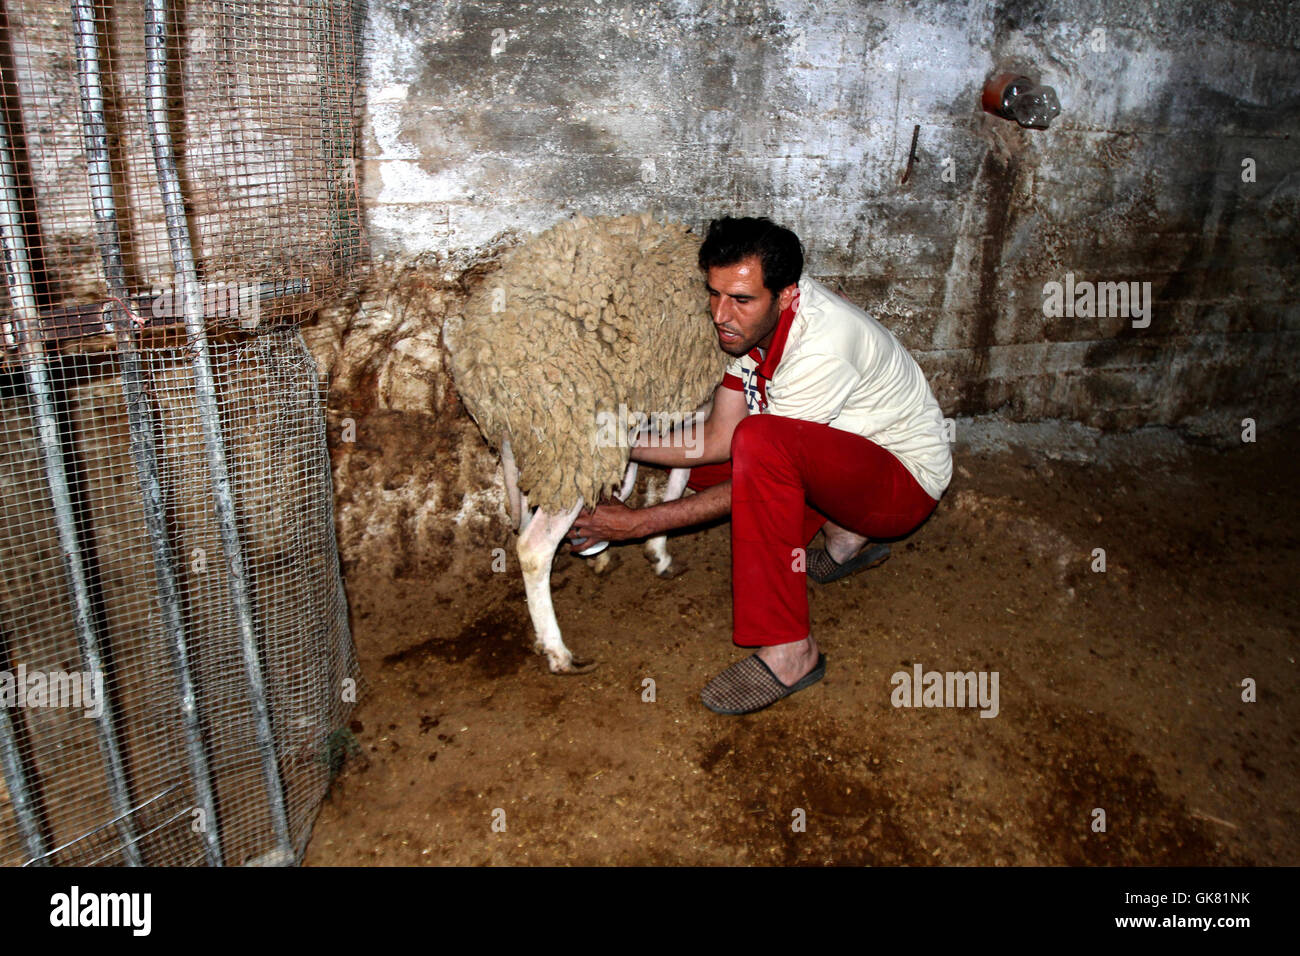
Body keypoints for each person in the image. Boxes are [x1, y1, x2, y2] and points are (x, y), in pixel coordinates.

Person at [567, 216, 952, 715]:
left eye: (741, 299)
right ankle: (846, 538)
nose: (721, 315)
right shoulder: (750, 329)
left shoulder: (822, 346)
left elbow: (761, 466)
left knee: (761, 445)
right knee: (716, 463)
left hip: (902, 487)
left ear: (787, 295)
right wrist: (618, 442)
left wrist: (635, 524)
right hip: (849, 468)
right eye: (715, 293)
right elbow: (716, 438)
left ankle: (792, 651)